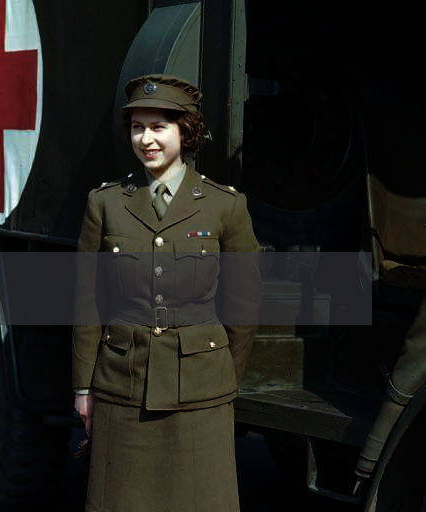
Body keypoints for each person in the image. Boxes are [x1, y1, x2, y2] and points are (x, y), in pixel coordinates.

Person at [71, 74, 261, 511]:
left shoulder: (224, 206)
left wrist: (220, 374)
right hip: (123, 385)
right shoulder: (106, 203)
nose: (147, 139)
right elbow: (86, 301)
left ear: (185, 131)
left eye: (159, 127)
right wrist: (84, 387)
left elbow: (243, 303)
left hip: (200, 390)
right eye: (138, 128)